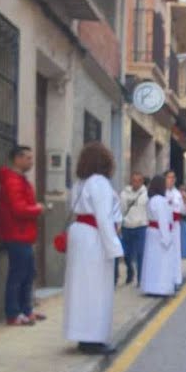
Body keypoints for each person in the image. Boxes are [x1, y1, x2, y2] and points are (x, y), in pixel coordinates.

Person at [62, 142, 124, 355]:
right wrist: (115, 247)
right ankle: (93, 338)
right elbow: (104, 218)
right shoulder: (99, 182)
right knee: (96, 288)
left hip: (80, 235)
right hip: (94, 238)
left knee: (81, 288)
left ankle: (82, 334)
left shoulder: (81, 182)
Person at [0, 145, 44, 326]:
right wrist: (38, 208)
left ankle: (27, 310)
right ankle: (13, 314)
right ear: (17, 159)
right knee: (18, 275)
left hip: (24, 234)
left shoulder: (20, 180)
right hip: (16, 234)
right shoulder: (12, 181)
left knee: (28, 273)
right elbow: (19, 209)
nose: (31, 162)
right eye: (28, 158)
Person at [140, 174, 178, 297]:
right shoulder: (161, 201)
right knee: (162, 262)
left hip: (152, 233)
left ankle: (150, 286)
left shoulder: (151, 200)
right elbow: (163, 221)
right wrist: (167, 238)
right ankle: (160, 287)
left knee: (152, 261)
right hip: (160, 234)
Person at [118, 172, 150, 286]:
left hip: (141, 226)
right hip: (127, 226)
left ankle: (141, 280)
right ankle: (130, 271)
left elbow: (149, 211)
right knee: (126, 254)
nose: (136, 183)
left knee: (141, 253)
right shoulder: (123, 194)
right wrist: (119, 225)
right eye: (134, 180)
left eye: (138, 180)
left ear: (142, 182)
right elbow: (120, 210)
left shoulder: (146, 194)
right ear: (131, 181)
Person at [165, 170, 186, 287]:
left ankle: (176, 279)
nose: (171, 179)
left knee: (176, 251)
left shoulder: (178, 194)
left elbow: (185, 211)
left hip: (175, 225)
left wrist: (185, 200)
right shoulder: (161, 192)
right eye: (169, 177)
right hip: (164, 226)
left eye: (173, 177)